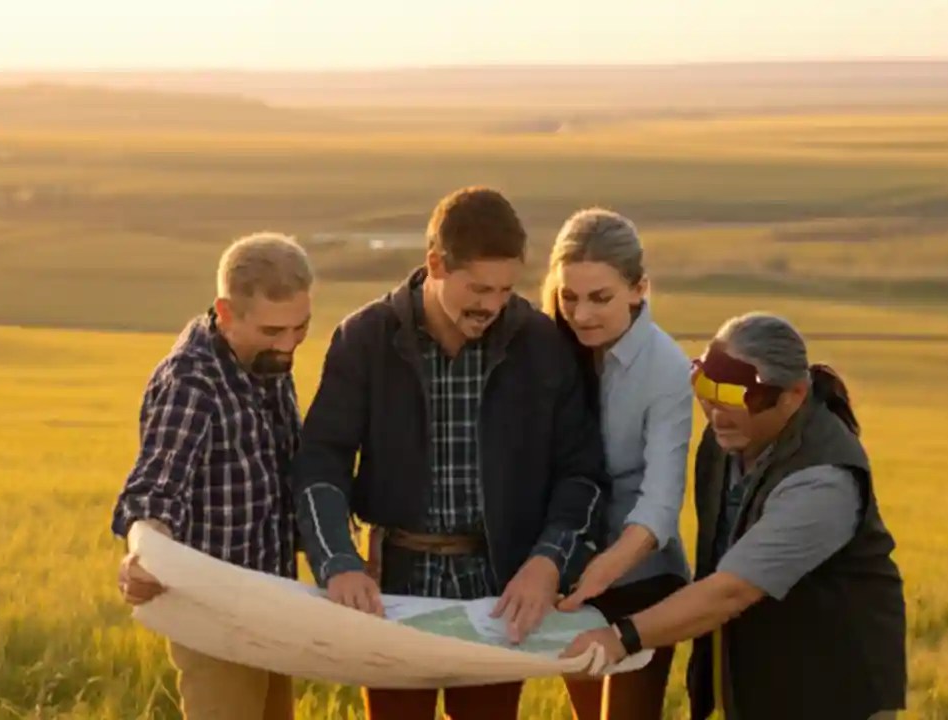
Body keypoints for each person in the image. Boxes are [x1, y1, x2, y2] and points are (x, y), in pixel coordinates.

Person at [291, 187, 609, 720]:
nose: (492, 305)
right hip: (392, 587)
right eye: (478, 288)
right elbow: (322, 459)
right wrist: (338, 563)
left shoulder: (540, 344)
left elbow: (582, 473)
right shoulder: (365, 339)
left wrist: (546, 564)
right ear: (435, 263)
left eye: (505, 289)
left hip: (501, 591)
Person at [562, 313, 907, 720]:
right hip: (763, 675)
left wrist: (620, 638)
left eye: (740, 398)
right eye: (707, 390)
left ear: (794, 394)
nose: (717, 414)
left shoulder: (822, 481)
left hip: (835, 688)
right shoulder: (727, 436)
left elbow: (731, 590)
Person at [111, 232, 314, 720]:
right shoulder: (191, 381)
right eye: (272, 331)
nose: (288, 345)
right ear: (225, 313)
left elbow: (283, 477)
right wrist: (143, 553)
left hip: (270, 603)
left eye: (300, 327)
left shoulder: (264, 362)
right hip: (214, 617)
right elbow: (155, 488)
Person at [540, 209, 693, 720]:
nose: (581, 314)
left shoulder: (666, 369)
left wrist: (603, 571)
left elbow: (661, 503)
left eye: (599, 298)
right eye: (569, 297)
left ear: (639, 288)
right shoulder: (549, 350)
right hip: (562, 574)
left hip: (642, 579)